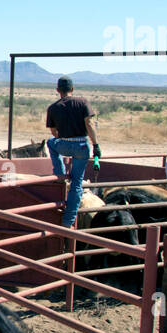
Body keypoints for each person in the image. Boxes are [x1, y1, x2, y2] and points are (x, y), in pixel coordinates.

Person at [45, 77, 101, 229]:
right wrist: (95, 145)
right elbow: (89, 124)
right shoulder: (83, 103)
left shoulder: (53, 108)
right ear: (72, 89)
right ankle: (68, 221)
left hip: (64, 145)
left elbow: (54, 132)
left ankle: (60, 174)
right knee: (77, 183)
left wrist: (64, 141)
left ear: (58, 90)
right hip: (82, 147)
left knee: (50, 142)